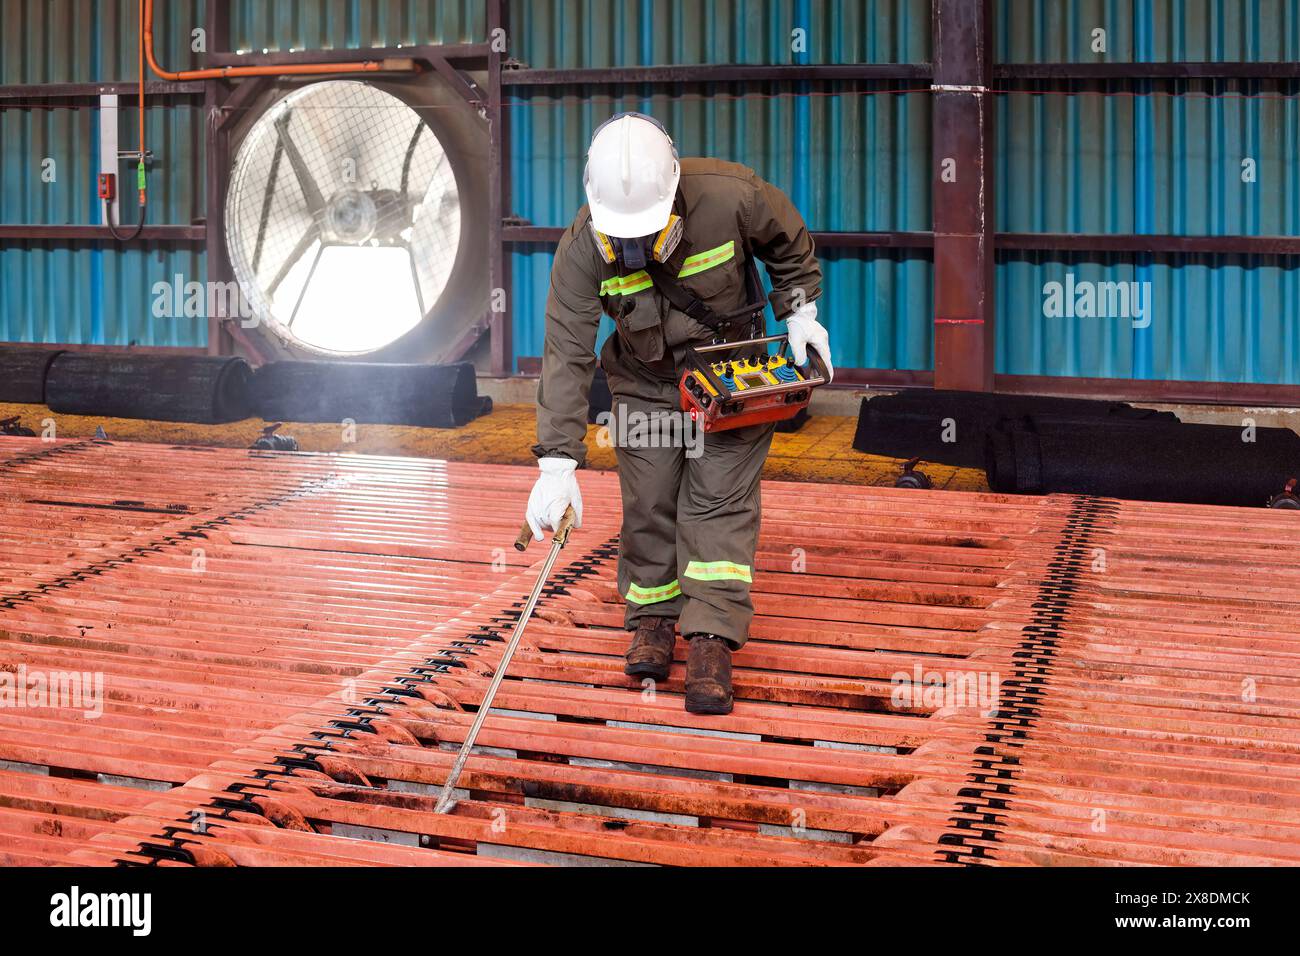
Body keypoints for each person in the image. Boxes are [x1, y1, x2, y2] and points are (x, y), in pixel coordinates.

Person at [525, 113, 832, 715]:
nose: (637, 242)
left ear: (672, 193)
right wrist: (556, 463)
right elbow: (565, 352)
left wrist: (799, 311)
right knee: (650, 499)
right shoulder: (583, 248)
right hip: (644, 386)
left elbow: (789, 242)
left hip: (731, 379)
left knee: (715, 501)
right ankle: (653, 618)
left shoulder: (732, 195)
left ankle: (712, 638)